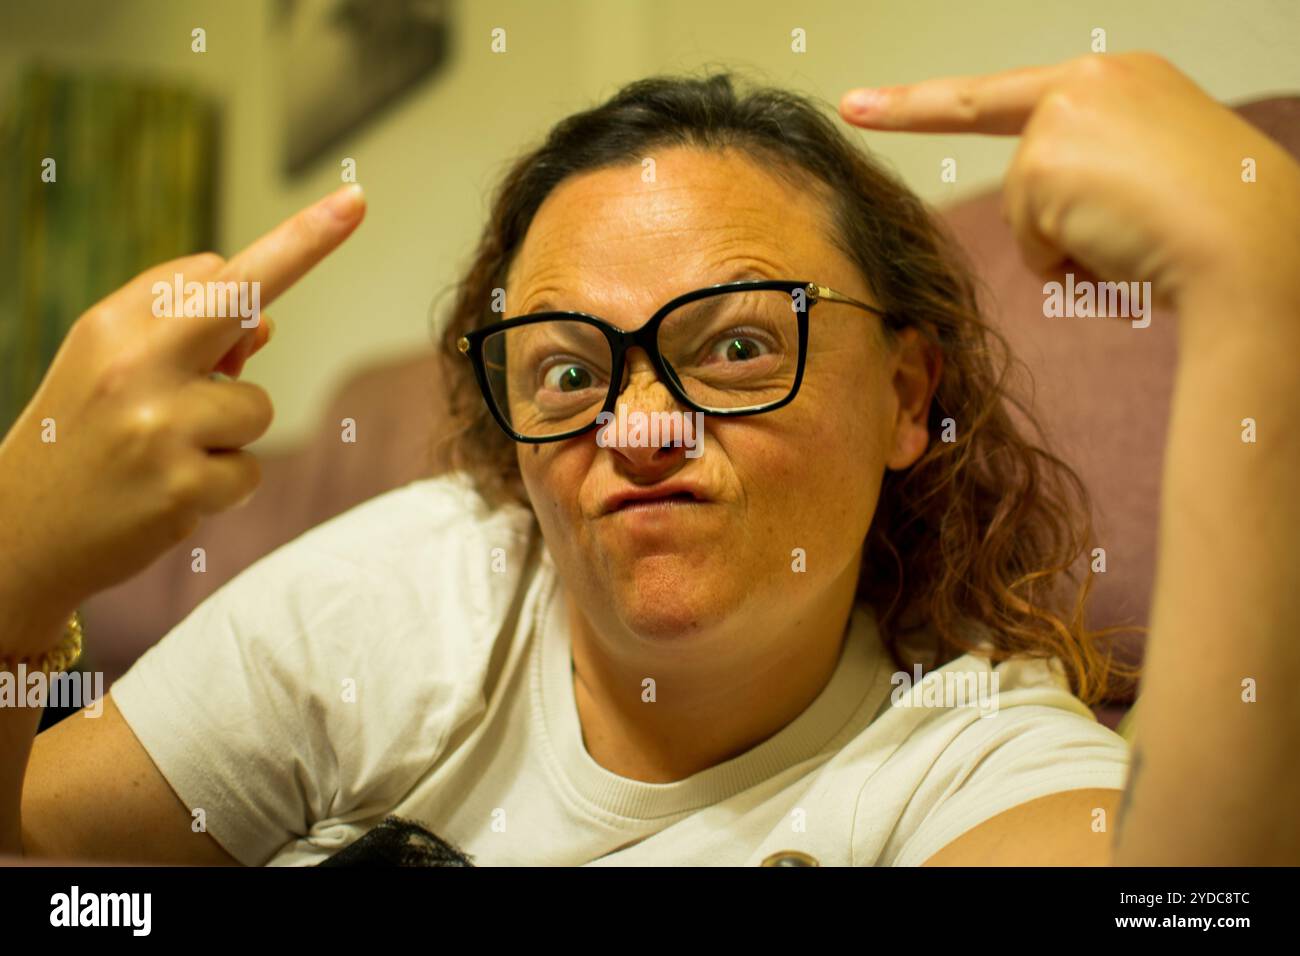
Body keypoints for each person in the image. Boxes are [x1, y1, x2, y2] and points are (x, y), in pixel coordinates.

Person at [2, 52, 1297, 866]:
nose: (635, 427)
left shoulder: (963, 756)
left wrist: (1264, 297)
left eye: (735, 346)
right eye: (566, 371)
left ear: (909, 397)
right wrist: (19, 553)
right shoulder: (414, 590)